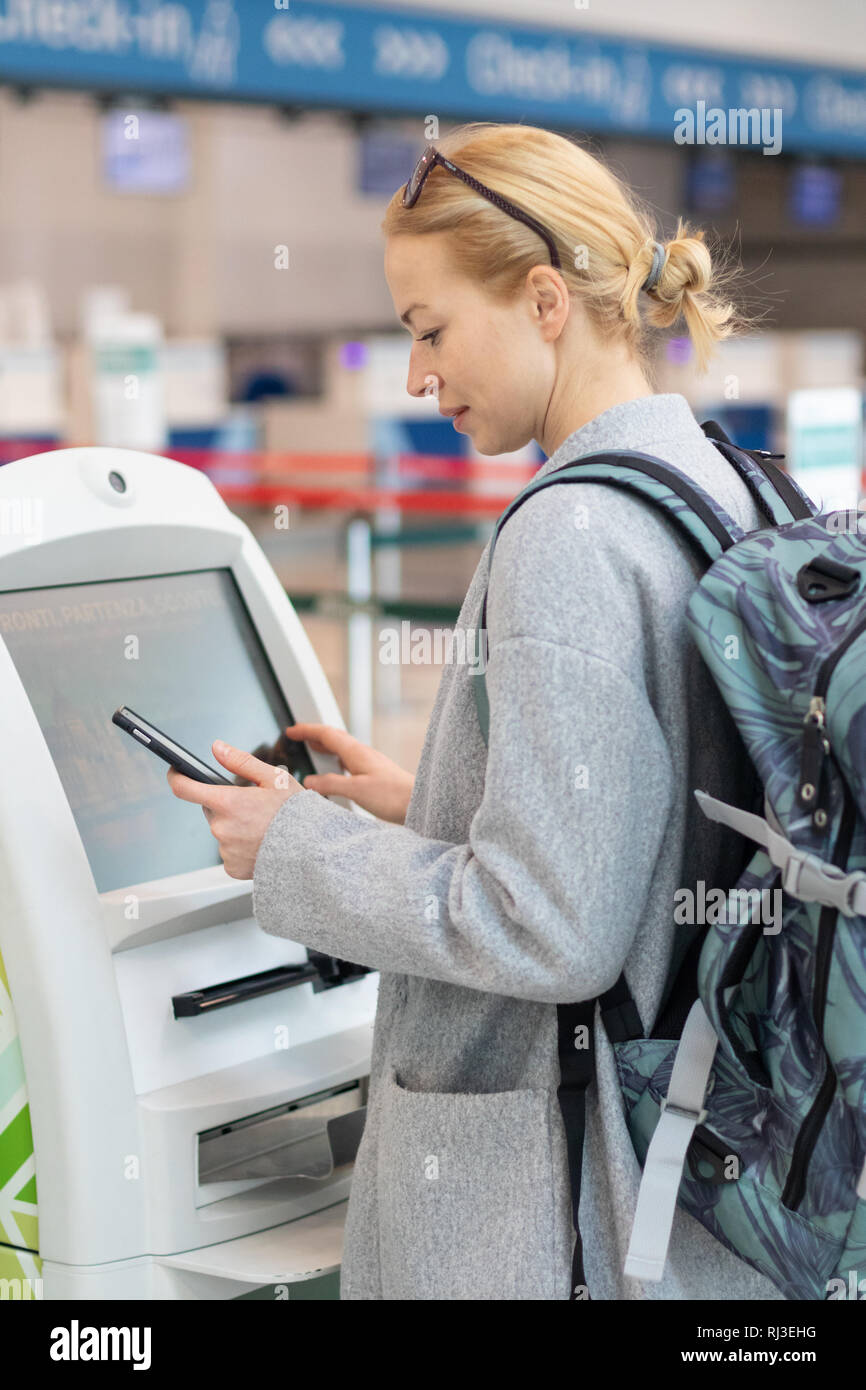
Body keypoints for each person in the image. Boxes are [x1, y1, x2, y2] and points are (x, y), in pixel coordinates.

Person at [168, 122, 787, 1300]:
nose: (417, 377)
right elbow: (655, 822)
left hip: (558, 1209)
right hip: (697, 1179)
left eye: (430, 329)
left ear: (545, 299)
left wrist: (292, 846)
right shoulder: (720, 478)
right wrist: (432, 804)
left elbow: (552, 926)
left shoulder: (566, 531)